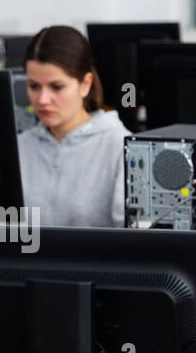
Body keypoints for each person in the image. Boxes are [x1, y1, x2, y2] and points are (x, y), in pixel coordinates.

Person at [18, 25, 128, 228]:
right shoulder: (19, 147)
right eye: (34, 86)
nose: (42, 99)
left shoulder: (120, 148)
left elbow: (135, 245)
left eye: (56, 87)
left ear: (85, 84)